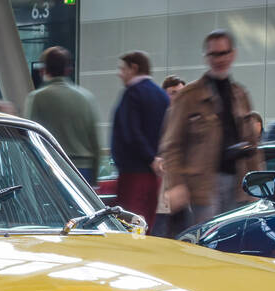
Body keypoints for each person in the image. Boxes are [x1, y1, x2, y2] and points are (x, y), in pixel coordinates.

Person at [158, 29, 262, 229]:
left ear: (233, 54)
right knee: (203, 246)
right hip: (204, 189)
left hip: (239, 185)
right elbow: (171, 145)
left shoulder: (240, 95)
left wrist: (258, 183)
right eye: (214, 54)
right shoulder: (188, 97)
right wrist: (176, 184)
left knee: (232, 245)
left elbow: (253, 145)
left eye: (224, 53)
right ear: (206, 57)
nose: (219, 59)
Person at [24, 46, 101, 183]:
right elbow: (95, 143)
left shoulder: (37, 98)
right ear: (68, 69)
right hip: (83, 170)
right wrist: (94, 179)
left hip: (51, 167)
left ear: (44, 69)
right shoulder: (86, 97)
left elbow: (29, 138)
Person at [111, 51, 169, 227]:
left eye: (123, 68)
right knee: (148, 223)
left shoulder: (132, 94)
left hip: (133, 172)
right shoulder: (161, 95)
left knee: (129, 223)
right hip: (155, 175)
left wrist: (149, 157)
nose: (119, 73)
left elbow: (131, 132)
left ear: (134, 68)